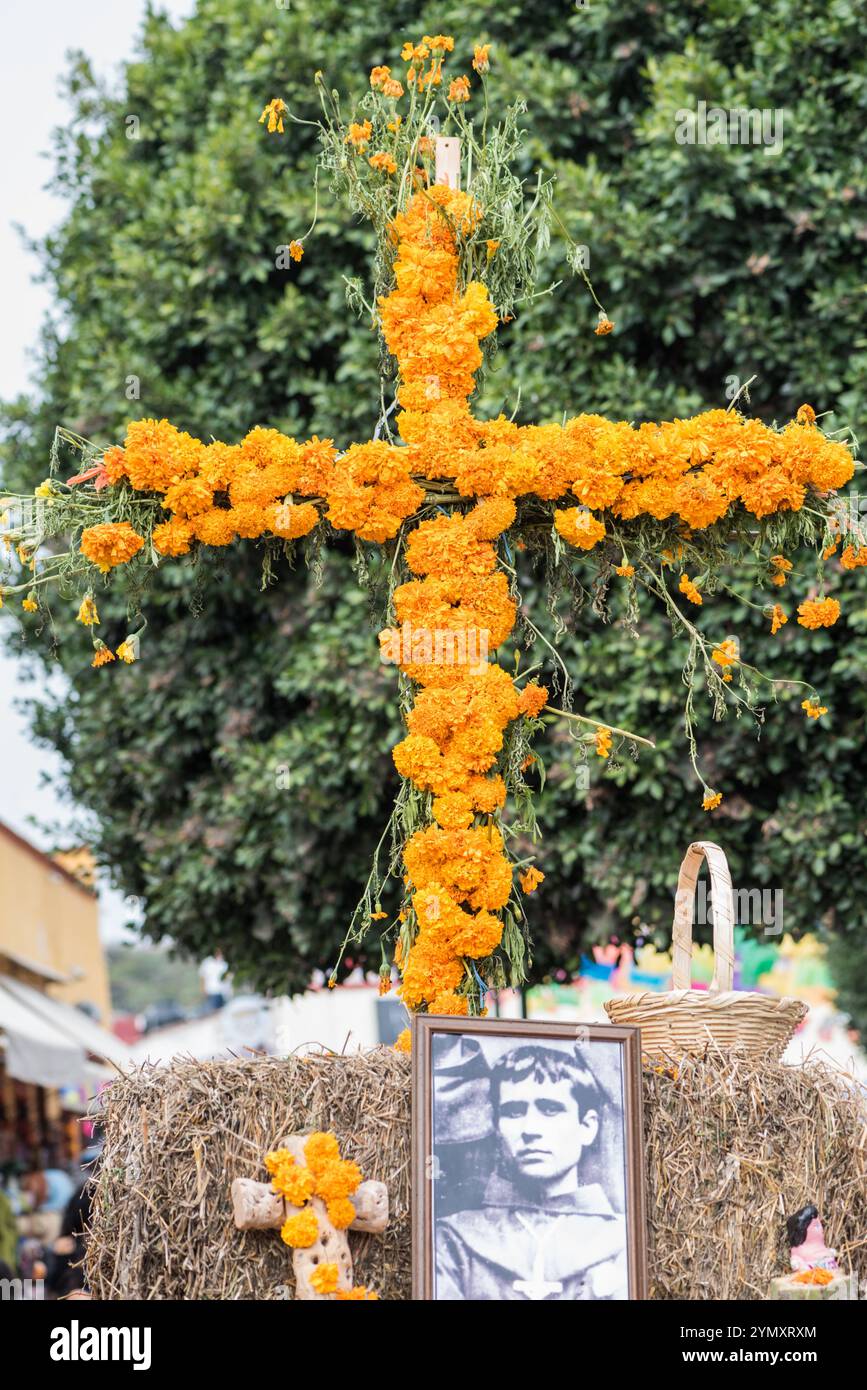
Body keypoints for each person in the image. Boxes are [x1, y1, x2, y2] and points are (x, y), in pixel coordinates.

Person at [435, 1044, 628, 1300]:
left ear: (587, 1127)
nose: (530, 1128)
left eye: (550, 1109)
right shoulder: (454, 1239)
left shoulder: (622, 1241)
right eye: (513, 1112)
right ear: (497, 1127)